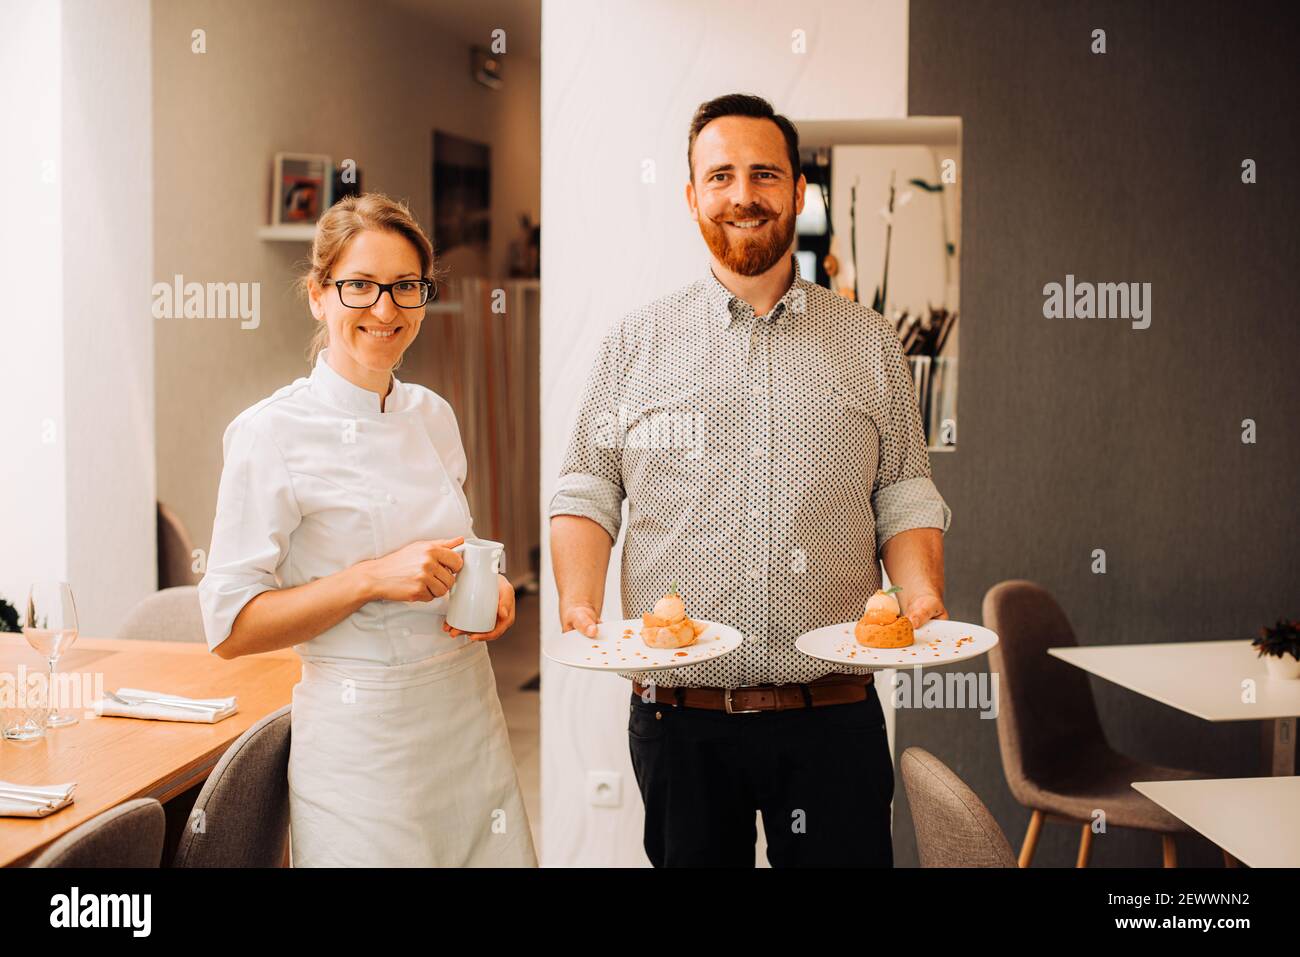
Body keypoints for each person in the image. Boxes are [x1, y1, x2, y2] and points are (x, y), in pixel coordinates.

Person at [549, 94, 951, 867]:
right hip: (681, 722)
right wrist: (576, 600)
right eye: (721, 175)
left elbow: (904, 493)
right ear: (692, 195)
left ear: (799, 193)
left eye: (765, 174)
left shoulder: (870, 343)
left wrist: (921, 592)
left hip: (833, 717)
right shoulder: (633, 343)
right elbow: (587, 489)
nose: (743, 194)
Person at [198, 192, 537, 867]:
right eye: (360, 286)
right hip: (362, 753)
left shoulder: (432, 414)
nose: (385, 309)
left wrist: (491, 590)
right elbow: (230, 625)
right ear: (319, 295)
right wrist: (370, 580)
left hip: (469, 722)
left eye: (405, 287)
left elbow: (452, 544)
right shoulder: (271, 433)